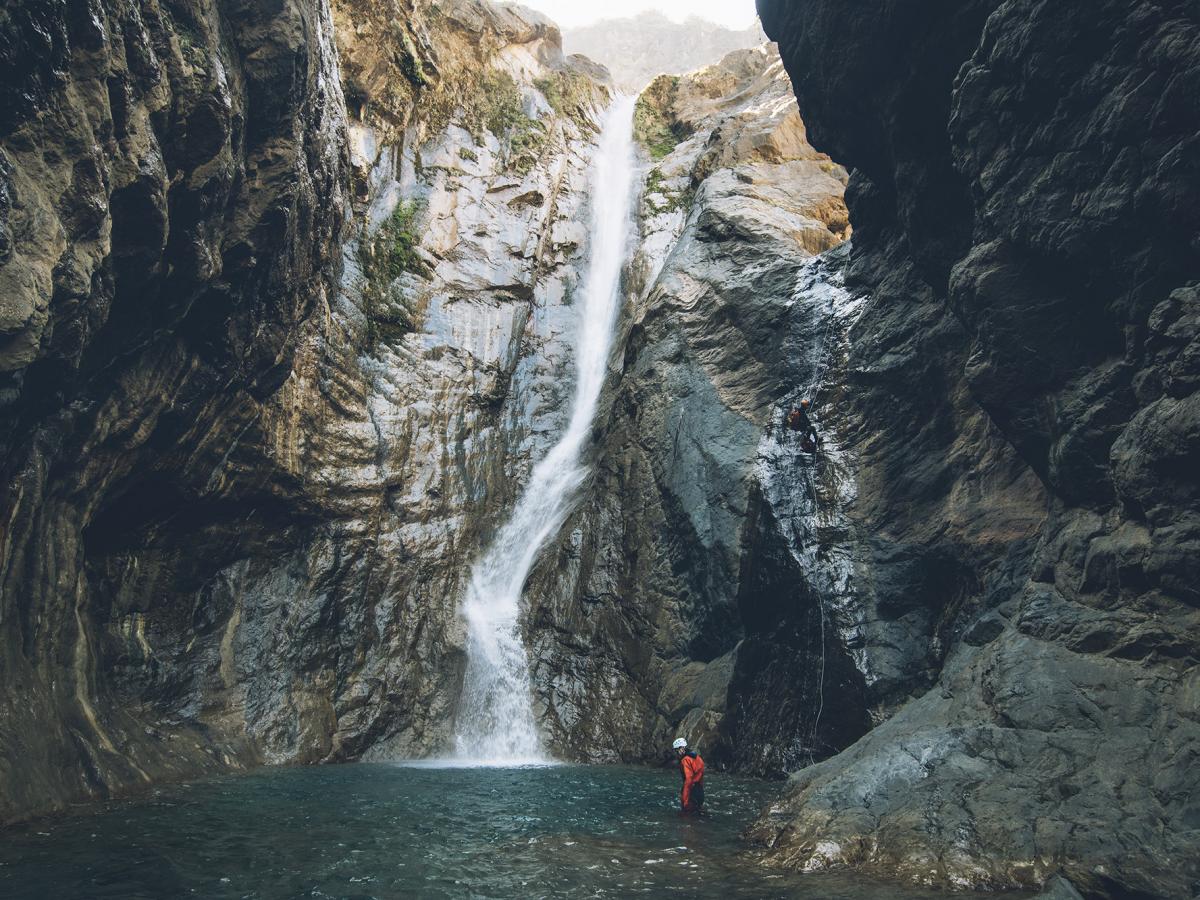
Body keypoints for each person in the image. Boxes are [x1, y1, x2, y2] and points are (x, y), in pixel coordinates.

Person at [672, 737, 705, 814]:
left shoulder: (685, 760)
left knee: (687, 816)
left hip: (692, 792)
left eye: (677, 750)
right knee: (699, 813)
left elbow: (688, 780)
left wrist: (685, 800)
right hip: (700, 790)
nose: (676, 753)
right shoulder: (696, 757)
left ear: (682, 748)